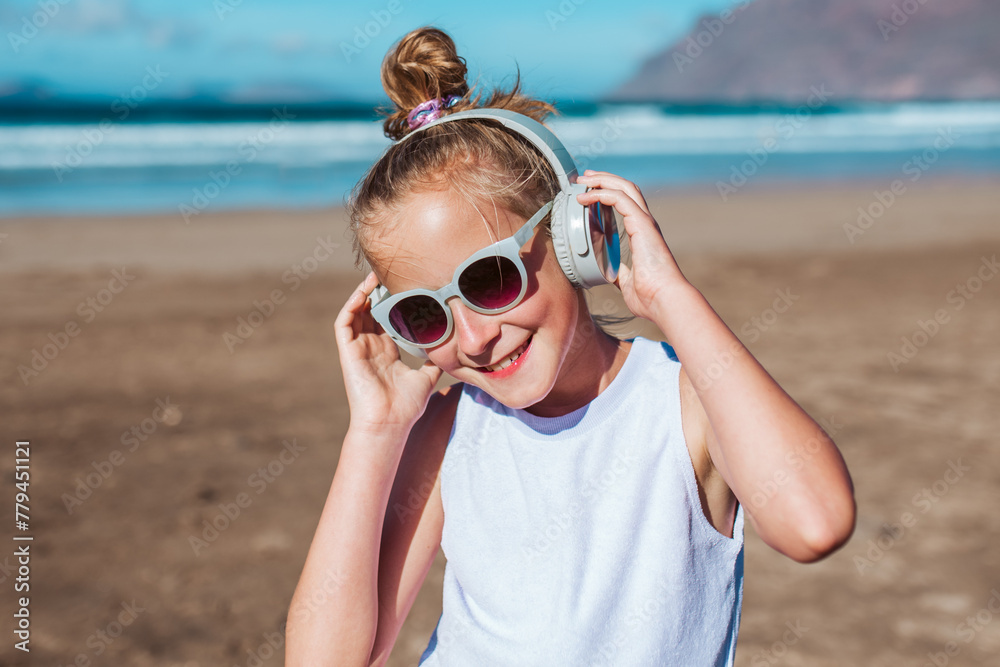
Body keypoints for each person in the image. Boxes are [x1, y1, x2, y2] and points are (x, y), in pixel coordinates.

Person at [285, 26, 856, 667]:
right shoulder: (449, 431)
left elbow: (815, 522)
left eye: (489, 279)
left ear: (573, 237)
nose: (473, 339)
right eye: (423, 315)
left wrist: (671, 298)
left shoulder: (687, 401)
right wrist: (376, 430)